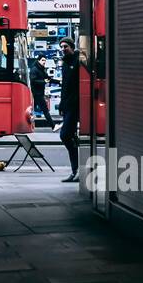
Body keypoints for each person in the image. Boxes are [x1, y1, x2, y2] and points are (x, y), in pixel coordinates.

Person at [57, 38, 80, 181]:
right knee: (69, 136)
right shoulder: (65, 62)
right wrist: (61, 104)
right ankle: (75, 170)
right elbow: (64, 86)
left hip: (75, 105)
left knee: (65, 135)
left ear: (72, 47)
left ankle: (77, 169)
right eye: (61, 47)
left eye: (65, 46)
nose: (63, 49)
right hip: (67, 105)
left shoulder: (78, 61)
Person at [29, 54, 54, 126]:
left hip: (39, 93)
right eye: (42, 60)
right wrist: (44, 81)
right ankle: (53, 126)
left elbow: (48, 79)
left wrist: (59, 82)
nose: (44, 62)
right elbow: (33, 81)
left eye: (45, 61)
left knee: (36, 109)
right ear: (38, 60)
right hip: (36, 94)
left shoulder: (42, 69)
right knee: (45, 110)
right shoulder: (34, 69)